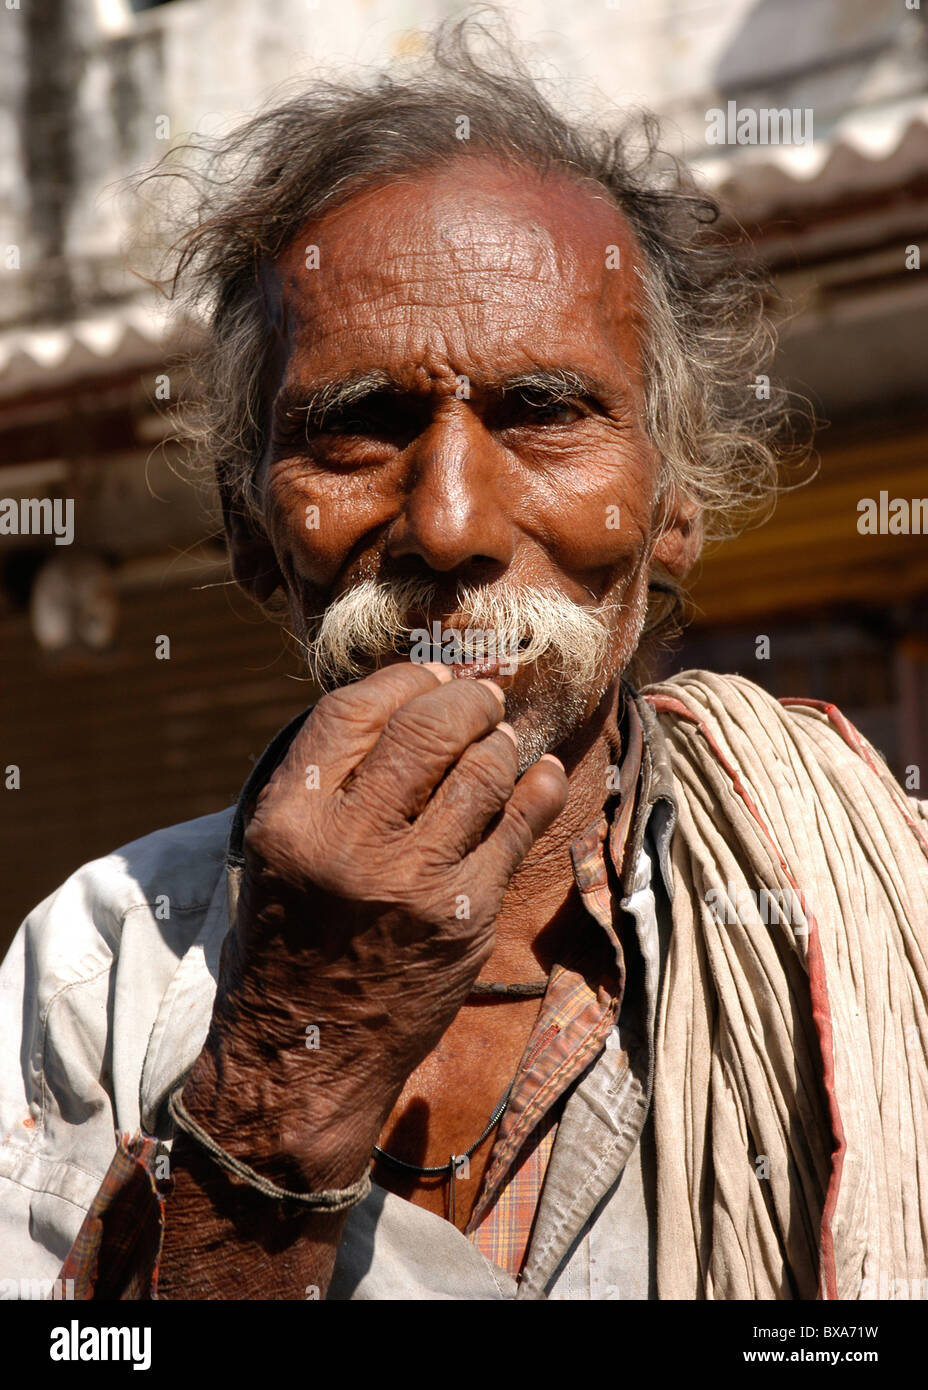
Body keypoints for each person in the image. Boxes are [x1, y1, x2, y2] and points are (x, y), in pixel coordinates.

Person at [2, 17, 926, 1302]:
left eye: (544, 412)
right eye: (356, 428)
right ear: (250, 535)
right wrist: (283, 1070)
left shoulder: (873, 921)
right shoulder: (96, 970)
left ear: (673, 509)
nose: (447, 523)